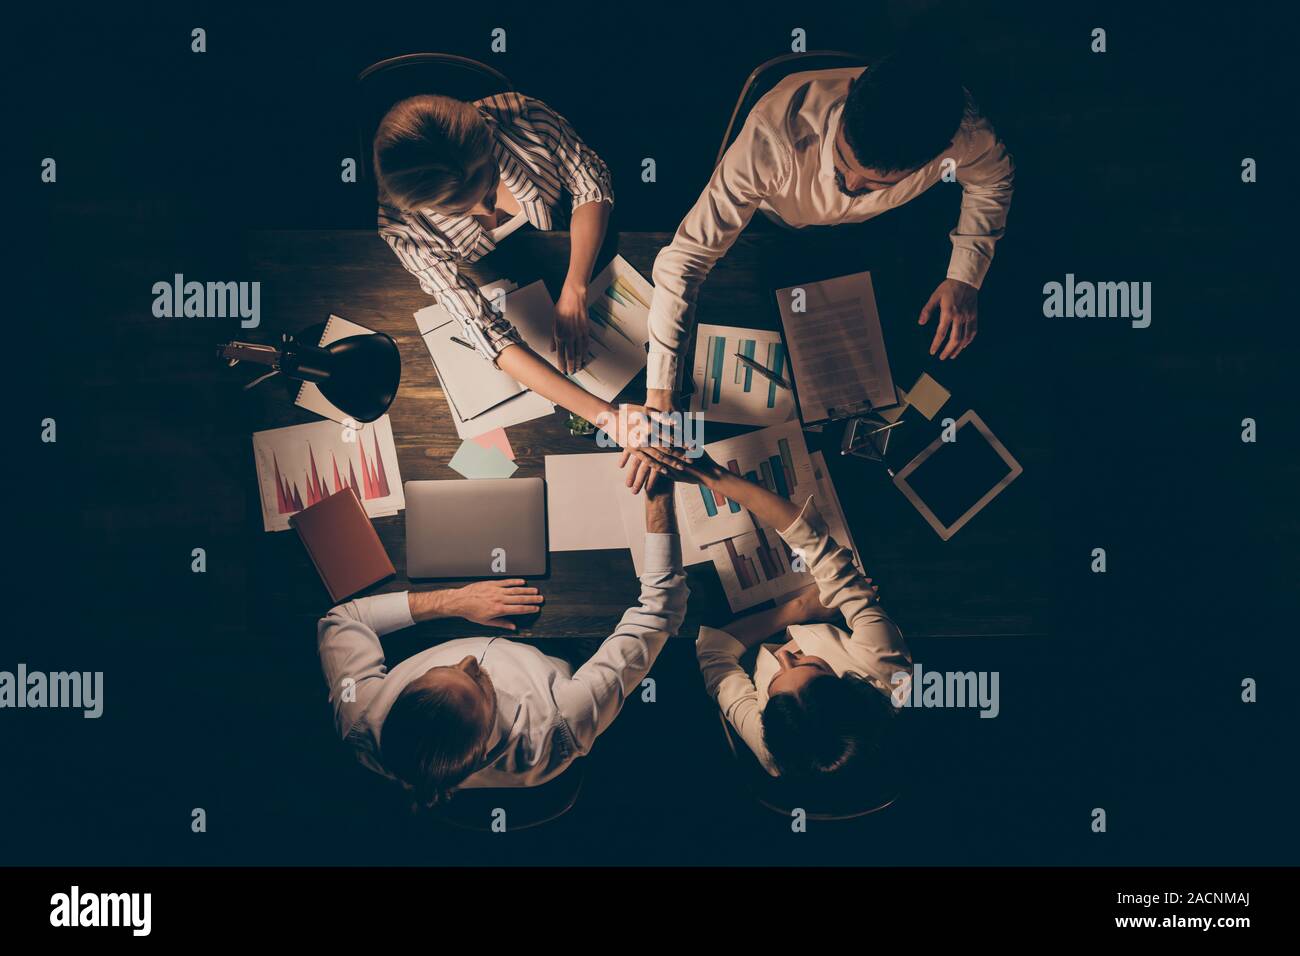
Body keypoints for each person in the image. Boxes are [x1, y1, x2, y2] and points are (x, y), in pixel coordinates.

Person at [637, 50, 1015, 478]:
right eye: (842, 160)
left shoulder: (965, 134)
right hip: (771, 224)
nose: (851, 186)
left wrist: (965, 276)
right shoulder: (772, 134)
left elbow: (992, 181)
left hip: (878, 236)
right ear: (851, 92)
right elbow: (684, 259)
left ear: (942, 154)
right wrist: (661, 393)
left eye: (875, 183)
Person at [315, 483, 687, 807]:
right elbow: (659, 609)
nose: (466, 659)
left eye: (439, 671)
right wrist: (658, 500)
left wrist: (451, 602)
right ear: (483, 739)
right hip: (564, 656)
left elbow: (341, 621)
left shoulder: (360, 717)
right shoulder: (563, 722)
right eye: (477, 683)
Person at [375, 91, 678, 481]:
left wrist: (576, 287)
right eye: (458, 211)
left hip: (587, 251)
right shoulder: (402, 229)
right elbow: (484, 331)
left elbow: (590, 183)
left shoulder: (519, 116)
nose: (487, 211)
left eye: (489, 187)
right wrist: (608, 418)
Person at [672, 450, 912, 779]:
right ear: (851, 685)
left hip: (765, 613)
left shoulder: (774, 747)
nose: (785, 657)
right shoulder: (888, 674)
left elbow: (713, 651)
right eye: (809, 663)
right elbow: (820, 549)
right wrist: (715, 477)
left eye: (772, 686)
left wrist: (801, 608)